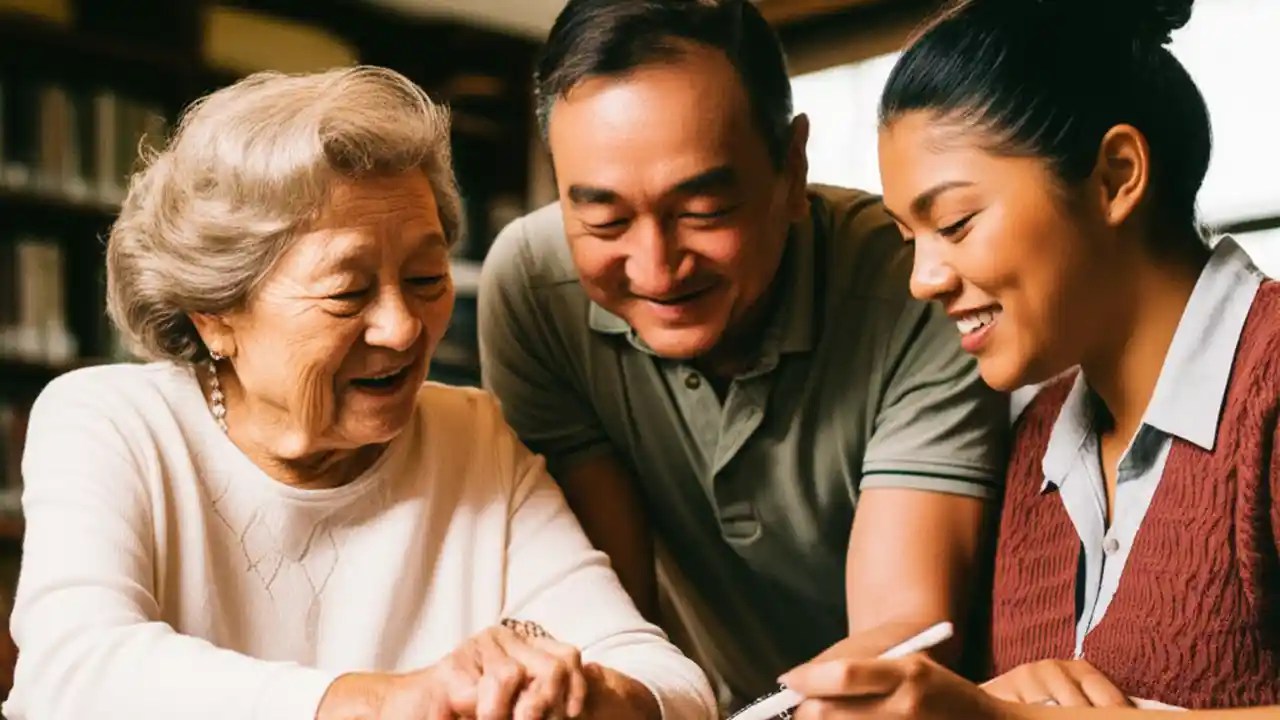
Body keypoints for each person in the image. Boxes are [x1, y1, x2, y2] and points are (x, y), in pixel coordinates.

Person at [1, 66, 716, 720]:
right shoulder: (111, 422)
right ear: (215, 315)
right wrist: (381, 703)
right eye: (347, 292)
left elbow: (671, 683)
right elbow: (70, 672)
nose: (404, 328)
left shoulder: (473, 438)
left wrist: (591, 694)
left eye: (426, 280)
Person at [478, 0, 1009, 705]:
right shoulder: (535, 288)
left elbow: (903, 628)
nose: (657, 267)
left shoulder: (916, 284)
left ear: (791, 168)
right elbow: (607, 615)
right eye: (603, 219)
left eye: (703, 212)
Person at [775, 0, 1280, 717]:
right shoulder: (1035, 443)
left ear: (1115, 176)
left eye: (954, 224)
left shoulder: (1269, 388)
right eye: (909, 235)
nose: (923, 279)